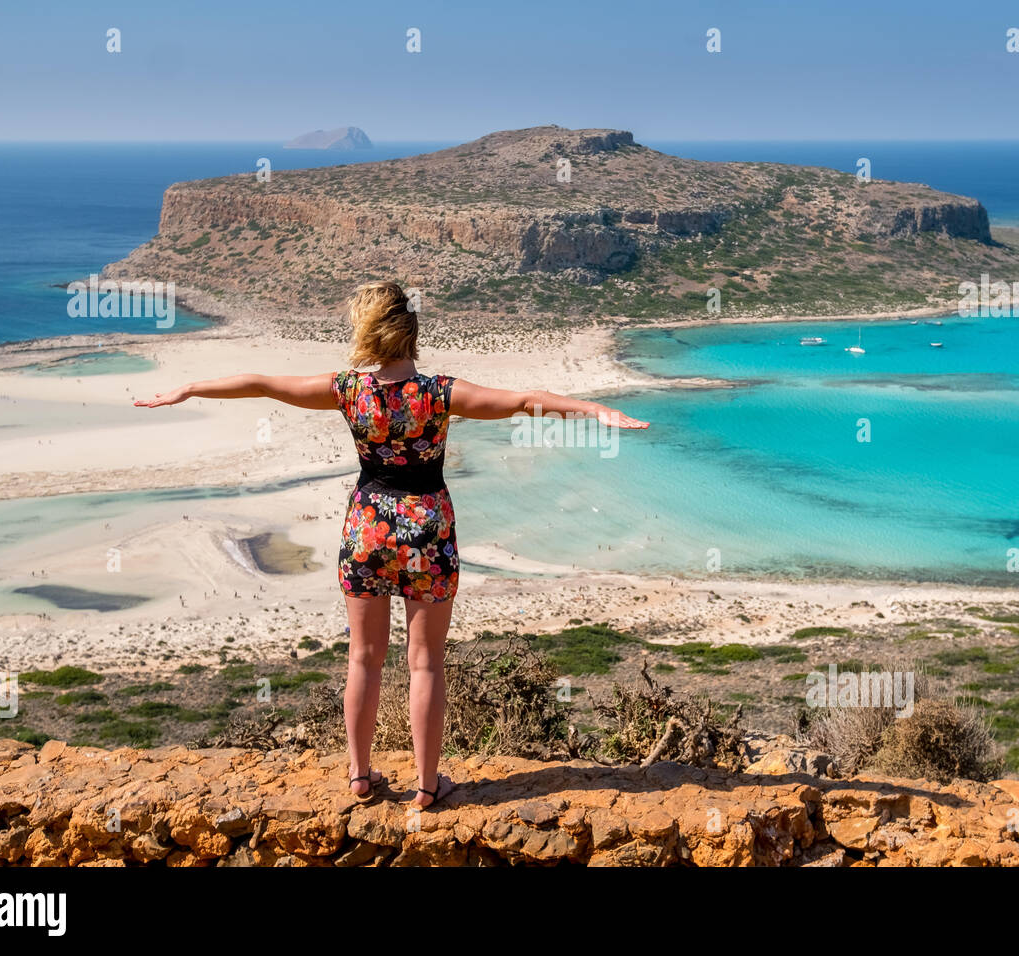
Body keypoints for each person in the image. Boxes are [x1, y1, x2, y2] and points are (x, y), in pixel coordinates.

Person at [135, 280, 649, 808]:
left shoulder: (346, 390)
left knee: (363, 659)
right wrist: (593, 410)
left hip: (367, 528)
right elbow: (523, 401)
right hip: (427, 529)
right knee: (425, 662)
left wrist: (191, 388)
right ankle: (428, 787)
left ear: (366, 332)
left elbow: (261, 383)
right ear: (412, 332)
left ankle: (360, 777)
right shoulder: (441, 393)